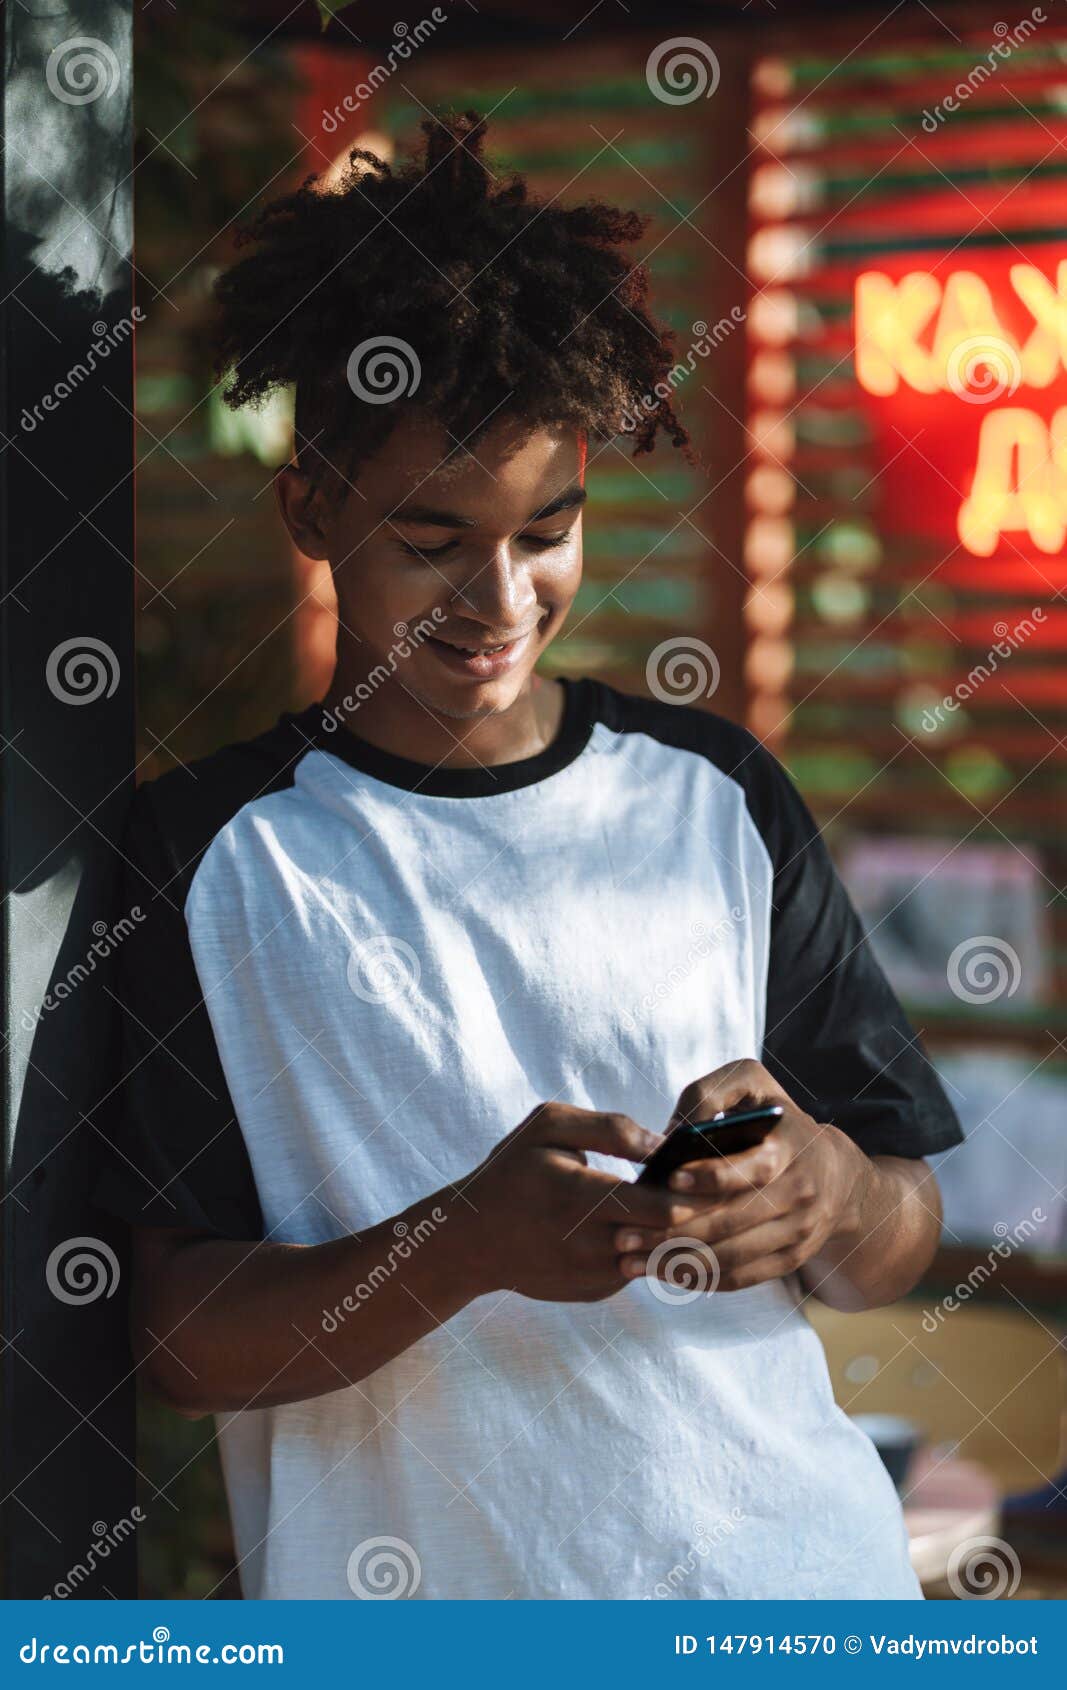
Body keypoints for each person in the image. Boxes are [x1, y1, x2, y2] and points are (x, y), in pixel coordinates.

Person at [91, 111, 964, 1601]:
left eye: (546, 531)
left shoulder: (715, 795)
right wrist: (456, 1246)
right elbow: (176, 1338)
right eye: (433, 541)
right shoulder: (212, 860)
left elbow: (897, 1232)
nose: (499, 602)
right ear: (313, 506)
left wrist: (830, 1192)